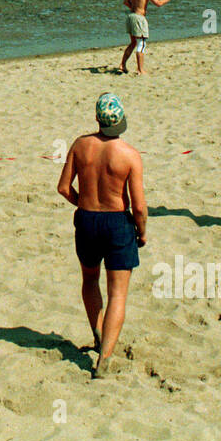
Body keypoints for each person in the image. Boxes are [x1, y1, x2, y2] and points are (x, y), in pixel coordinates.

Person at [57, 93, 146, 380]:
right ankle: (104, 357)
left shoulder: (81, 145)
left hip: (87, 219)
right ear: (120, 121)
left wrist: (84, 203)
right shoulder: (129, 155)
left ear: (97, 119)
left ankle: (98, 333)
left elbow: (63, 188)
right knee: (117, 293)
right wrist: (141, 232)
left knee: (90, 279)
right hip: (117, 221)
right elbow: (140, 206)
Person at [119, 0, 178, 74]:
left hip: (131, 17)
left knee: (133, 43)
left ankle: (122, 64)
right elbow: (158, 3)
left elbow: (126, 2)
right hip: (138, 18)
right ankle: (140, 69)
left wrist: (135, 8)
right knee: (141, 44)